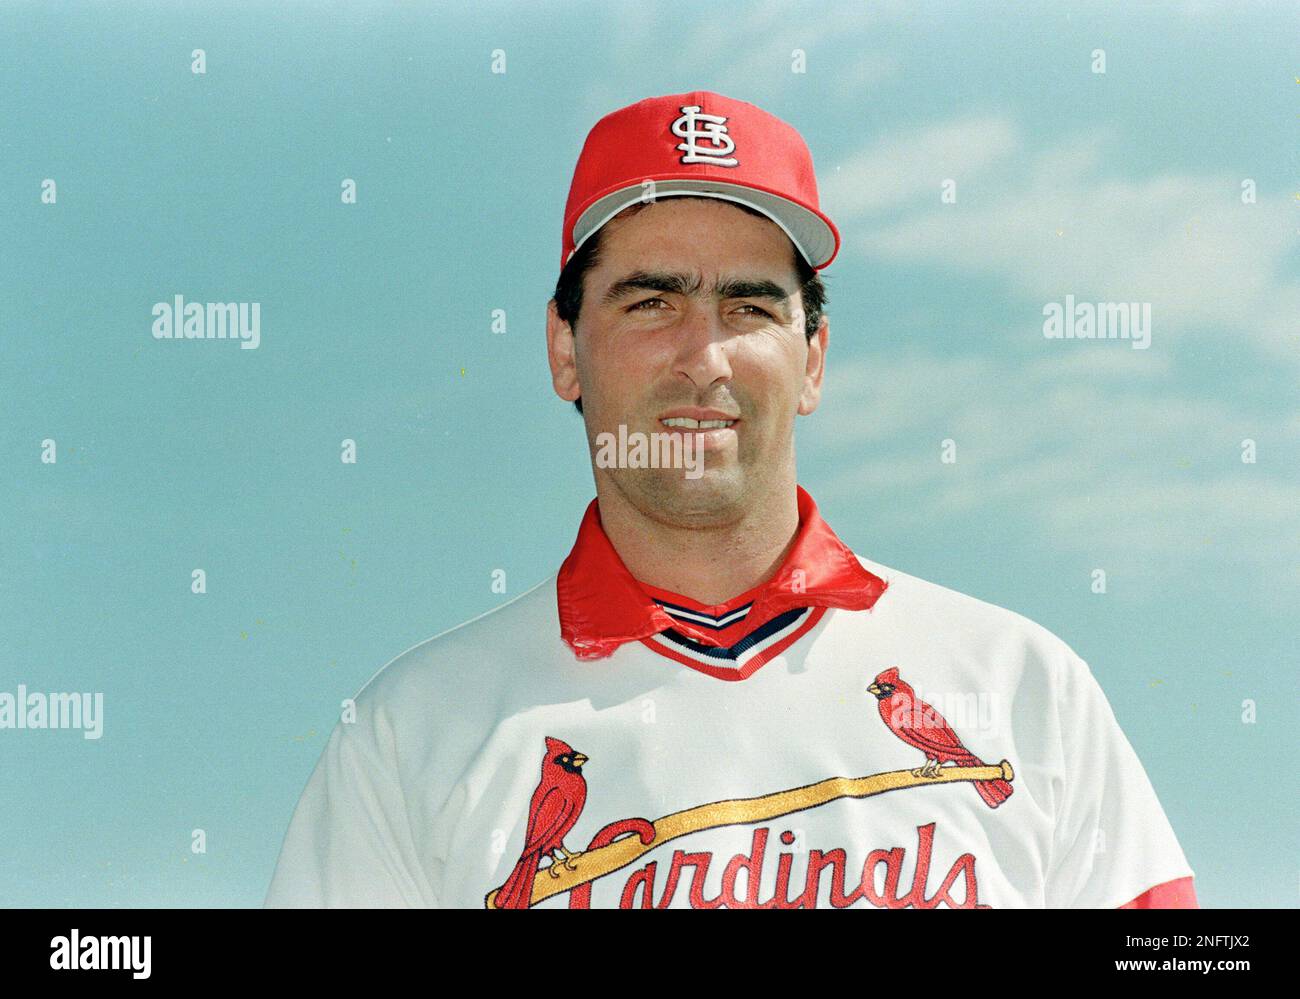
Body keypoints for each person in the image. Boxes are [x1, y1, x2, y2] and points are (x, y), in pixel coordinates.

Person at [264, 90, 1197, 909]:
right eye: (650, 302)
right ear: (562, 348)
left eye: (749, 308)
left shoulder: (1025, 688)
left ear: (814, 359)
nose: (702, 358)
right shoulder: (409, 735)